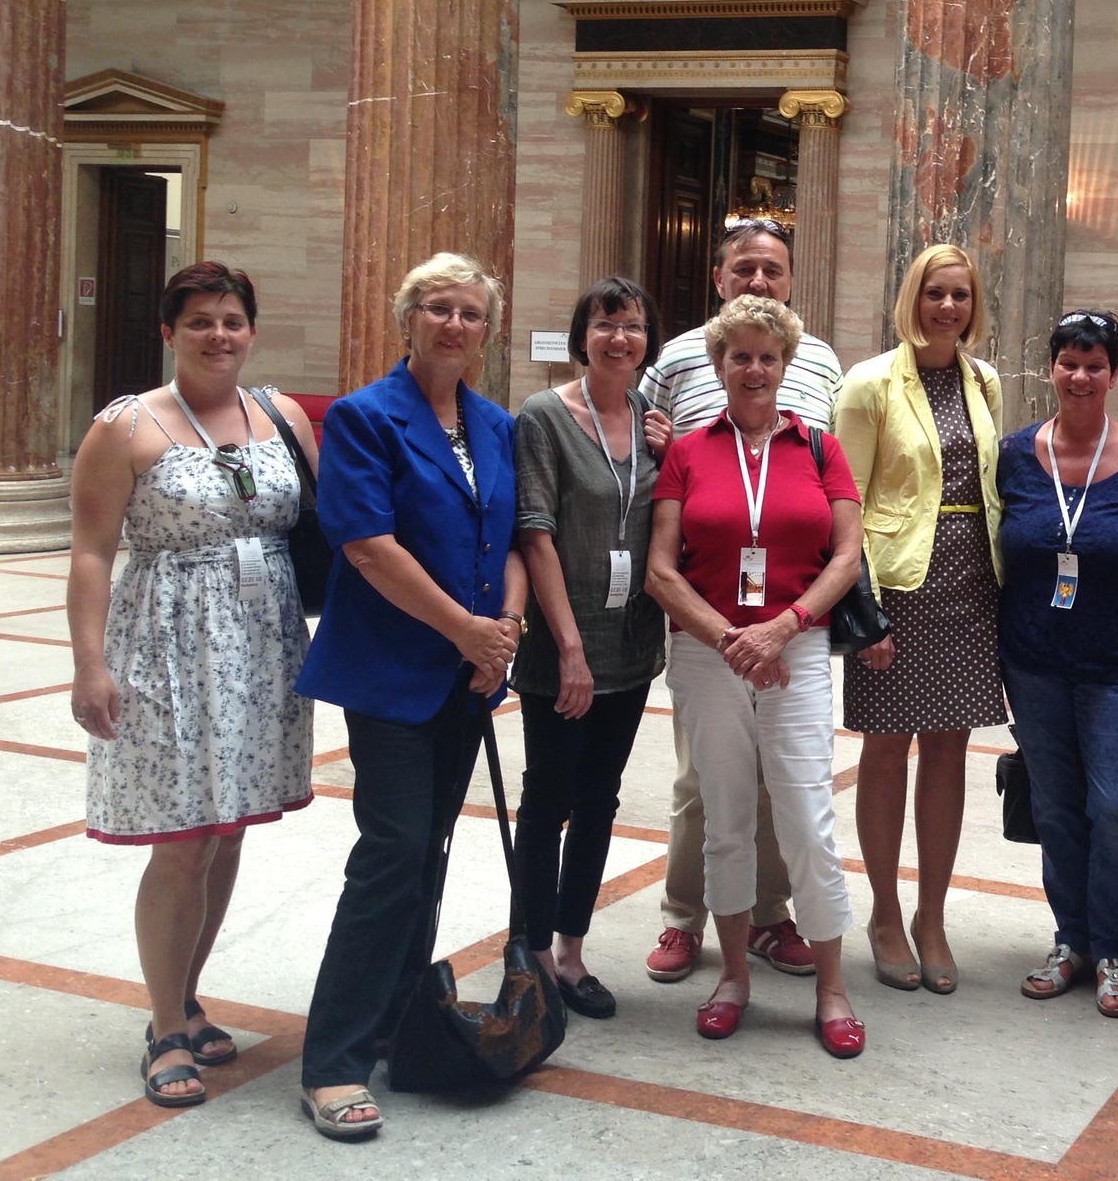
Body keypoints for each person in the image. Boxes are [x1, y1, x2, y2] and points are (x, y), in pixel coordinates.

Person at [66, 262, 318, 1110]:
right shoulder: (127, 427)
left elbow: (340, 519)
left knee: (231, 832)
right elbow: (93, 552)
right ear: (169, 333)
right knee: (181, 841)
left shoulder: (281, 416)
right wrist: (89, 665)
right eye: (201, 321)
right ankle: (166, 1025)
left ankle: (187, 994)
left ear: (253, 330)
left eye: (234, 320)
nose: (220, 335)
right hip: (168, 643)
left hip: (263, 644)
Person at [296, 253, 526, 1141]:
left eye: (471, 313)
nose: (455, 325)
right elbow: (367, 545)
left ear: (486, 332)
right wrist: (463, 631)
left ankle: (394, 1018)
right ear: (408, 318)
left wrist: (501, 633)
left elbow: (509, 537)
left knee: (427, 849)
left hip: (466, 675)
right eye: (438, 308)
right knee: (392, 852)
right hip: (392, 670)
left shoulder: (495, 425)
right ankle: (334, 1061)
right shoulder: (363, 417)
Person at [644, 294, 866, 1057]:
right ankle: (733, 975)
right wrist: (729, 636)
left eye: (767, 356)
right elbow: (660, 569)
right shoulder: (687, 451)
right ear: (718, 364)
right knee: (727, 816)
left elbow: (846, 555)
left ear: (786, 364)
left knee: (807, 816)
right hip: (709, 653)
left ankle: (832, 987)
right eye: (739, 355)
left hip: (794, 649)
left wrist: (783, 627)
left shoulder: (819, 449)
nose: (754, 368)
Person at [998, 311, 1118, 1018]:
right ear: (1052, 368)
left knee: (1113, 803)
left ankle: (1113, 951)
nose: (1080, 376)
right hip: (1035, 661)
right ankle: (1070, 940)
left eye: (1095, 364)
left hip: (1116, 663)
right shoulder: (1016, 456)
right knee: (1055, 805)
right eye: (1069, 362)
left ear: (1113, 373)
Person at [833, 244, 1006, 995]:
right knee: (886, 748)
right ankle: (883, 912)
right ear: (913, 298)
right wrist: (863, 613)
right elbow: (847, 510)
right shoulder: (868, 384)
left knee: (947, 750)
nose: (947, 307)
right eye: (935, 293)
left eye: (960, 295)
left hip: (972, 585)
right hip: (898, 588)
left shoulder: (984, 381)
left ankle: (932, 915)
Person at [510, 277, 669, 1020]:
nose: (619, 338)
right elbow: (534, 534)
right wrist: (569, 650)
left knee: (599, 803)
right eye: (605, 324)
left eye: (632, 326)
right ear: (583, 336)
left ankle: (572, 951)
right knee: (548, 802)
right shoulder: (544, 416)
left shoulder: (649, 420)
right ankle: (532, 952)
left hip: (631, 648)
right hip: (562, 650)